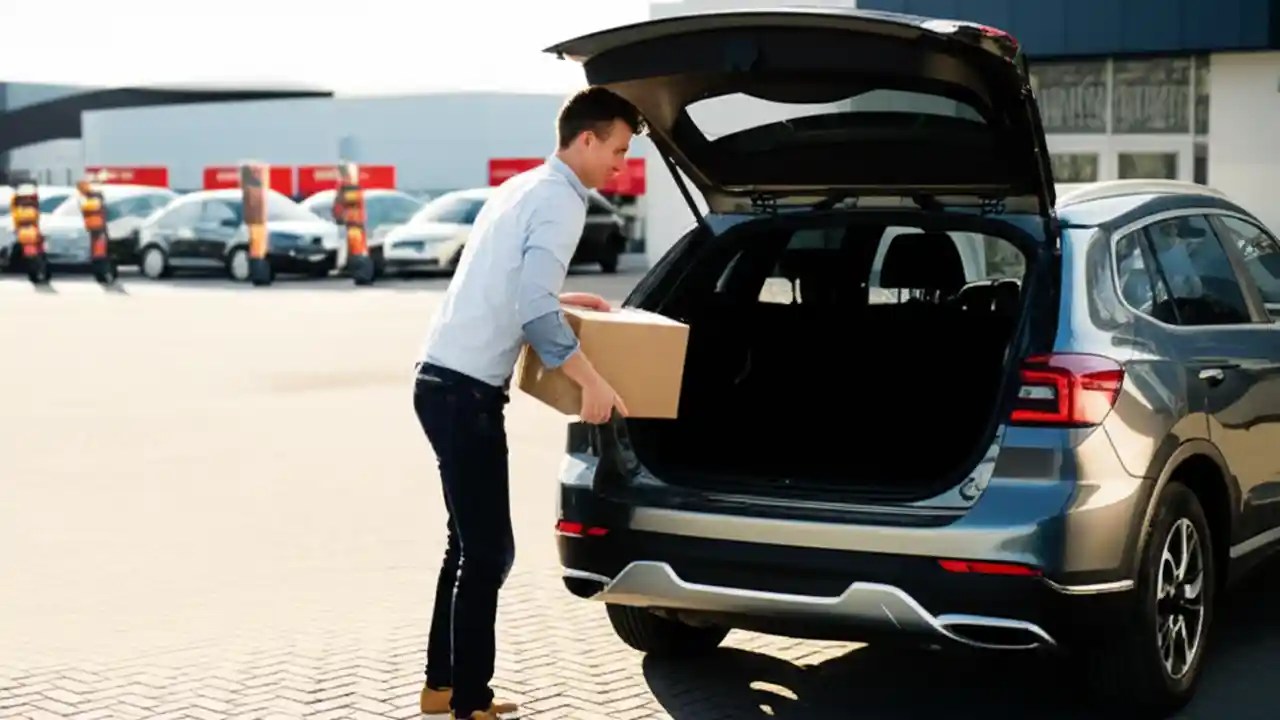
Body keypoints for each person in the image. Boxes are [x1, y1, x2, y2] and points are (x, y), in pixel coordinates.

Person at [412, 86, 645, 720]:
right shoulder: (560, 202)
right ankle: (470, 703)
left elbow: (515, 287)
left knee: (466, 546)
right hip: (465, 394)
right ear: (587, 139)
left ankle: (443, 689)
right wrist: (593, 382)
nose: (621, 165)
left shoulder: (523, 186)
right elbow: (531, 311)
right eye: (618, 150)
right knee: (490, 553)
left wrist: (567, 302)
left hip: (439, 381)